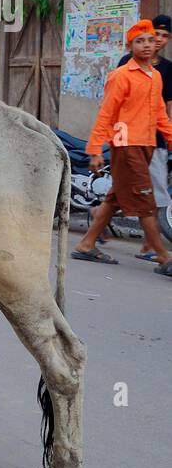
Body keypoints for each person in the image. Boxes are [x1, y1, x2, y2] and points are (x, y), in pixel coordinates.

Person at [71, 20, 172, 277]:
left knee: (115, 198)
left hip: (146, 146)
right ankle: (163, 255)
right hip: (126, 146)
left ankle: (86, 244)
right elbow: (106, 114)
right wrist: (95, 150)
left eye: (151, 40)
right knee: (146, 201)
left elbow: (160, 115)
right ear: (130, 46)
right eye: (140, 41)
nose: (147, 45)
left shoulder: (156, 76)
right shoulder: (121, 76)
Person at [115, 14, 172, 258]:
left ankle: (91, 237)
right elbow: (113, 105)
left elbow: (166, 107)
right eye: (153, 36)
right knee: (138, 192)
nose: (157, 41)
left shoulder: (166, 70)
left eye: (163, 36)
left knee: (146, 191)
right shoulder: (126, 64)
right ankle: (158, 250)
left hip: (154, 141)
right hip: (128, 139)